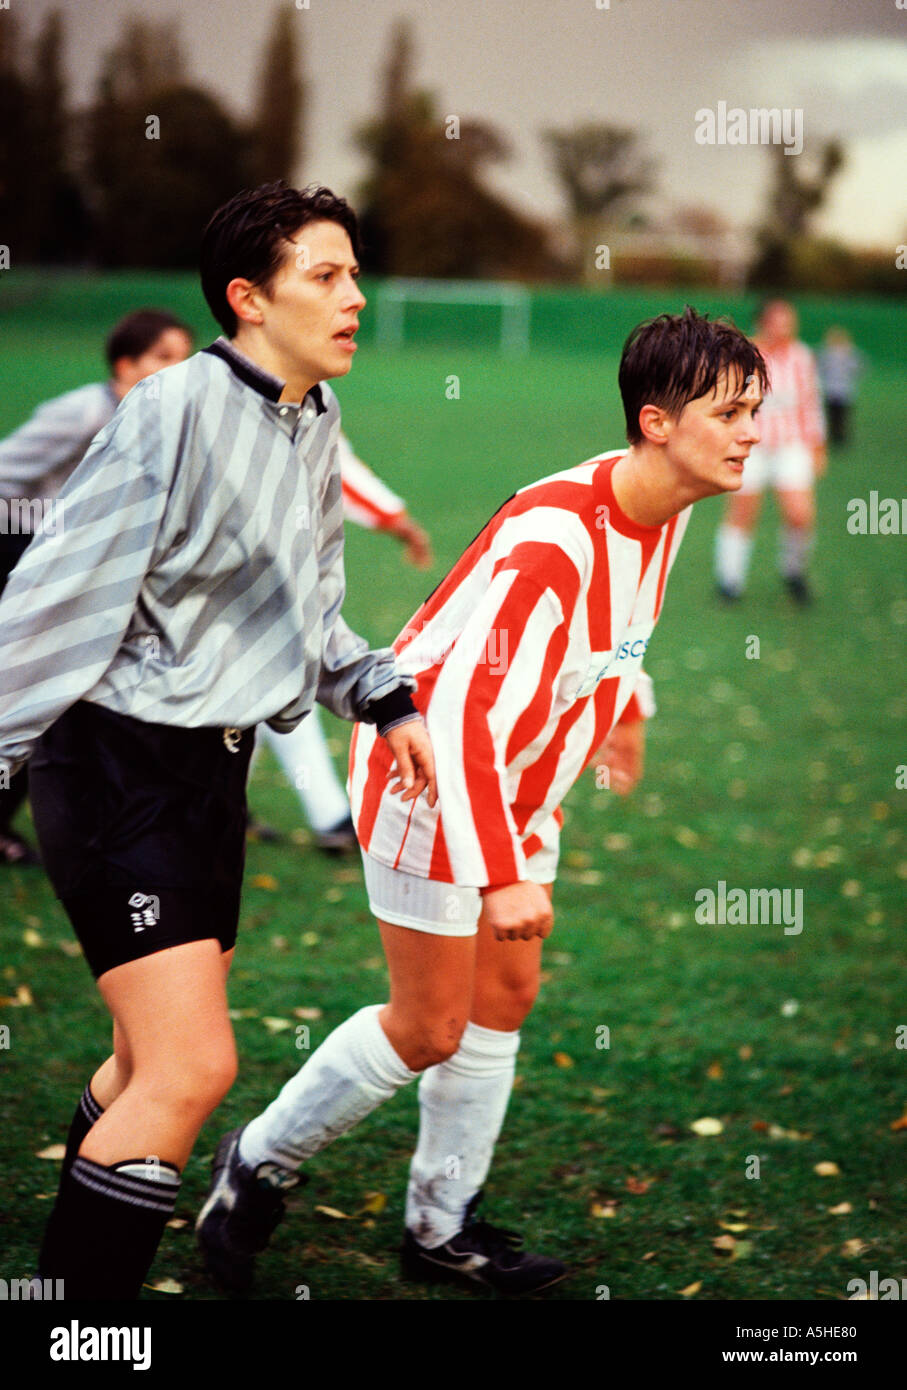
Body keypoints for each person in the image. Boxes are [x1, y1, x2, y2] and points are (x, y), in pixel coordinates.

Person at [197, 306, 767, 1296]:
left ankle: (437, 1226)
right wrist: (499, 876)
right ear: (657, 421)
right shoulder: (559, 540)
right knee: (427, 1027)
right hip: (433, 780)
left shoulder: (662, 502)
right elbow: (456, 715)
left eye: (755, 408)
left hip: (520, 789)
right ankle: (256, 1159)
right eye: (731, 411)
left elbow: (620, 637)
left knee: (503, 998)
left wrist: (629, 701)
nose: (753, 430)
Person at [0, 181, 436, 1300]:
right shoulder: (169, 409)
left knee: (148, 1061)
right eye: (326, 276)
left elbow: (312, 612)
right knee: (196, 1065)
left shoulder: (314, 418)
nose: (356, 297)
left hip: (211, 775)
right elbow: (47, 601)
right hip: (113, 768)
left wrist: (383, 694)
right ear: (248, 298)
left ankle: (61, 1269)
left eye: (354, 273)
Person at [0, 310, 193, 866]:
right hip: (33, 574)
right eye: (163, 358)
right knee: (38, 700)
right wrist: (56, 535)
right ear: (125, 365)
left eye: (184, 358)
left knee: (78, 703)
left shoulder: (163, 421)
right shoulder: (82, 413)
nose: (177, 371)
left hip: (98, 585)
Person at [256, 433, 433, 853]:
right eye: (163, 359)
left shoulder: (308, 403)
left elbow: (336, 468)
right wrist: (395, 520)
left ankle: (326, 814)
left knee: (273, 679)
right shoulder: (98, 417)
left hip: (266, 594)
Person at [713, 299, 825, 605]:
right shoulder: (743, 356)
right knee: (743, 511)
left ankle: (794, 571)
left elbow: (810, 403)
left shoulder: (802, 357)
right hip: (750, 447)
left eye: (790, 321)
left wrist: (817, 445)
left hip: (791, 446)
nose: (786, 328)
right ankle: (729, 580)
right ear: (764, 322)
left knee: (800, 514)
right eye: (779, 321)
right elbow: (726, 403)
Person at [817, 326, 864, 447]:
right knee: (831, 415)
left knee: (842, 416)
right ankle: (832, 436)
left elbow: (859, 367)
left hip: (844, 391)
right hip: (831, 389)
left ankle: (841, 437)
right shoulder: (826, 353)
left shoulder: (850, 354)